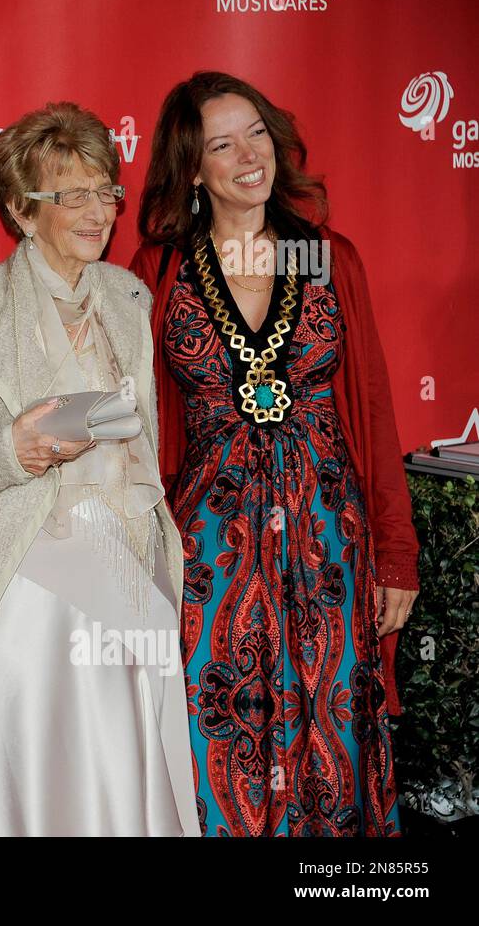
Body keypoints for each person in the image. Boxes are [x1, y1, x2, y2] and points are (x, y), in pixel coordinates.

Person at [129, 70, 419, 836]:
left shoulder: (325, 257)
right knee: (211, 737)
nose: (248, 154)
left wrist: (395, 553)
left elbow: (377, 413)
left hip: (330, 549)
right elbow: (135, 431)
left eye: (256, 131)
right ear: (193, 166)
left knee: (332, 744)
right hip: (209, 559)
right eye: (222, 143)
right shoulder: (157, 272)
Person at [0, 102, 198, 836]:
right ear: (21, 208)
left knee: (122, 770)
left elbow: (144, 441)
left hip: (126, 568)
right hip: (23, 581)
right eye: (70, 194)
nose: (97, 210)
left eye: (105, 191)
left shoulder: (127, 298)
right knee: (39, 773)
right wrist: (16, 447)